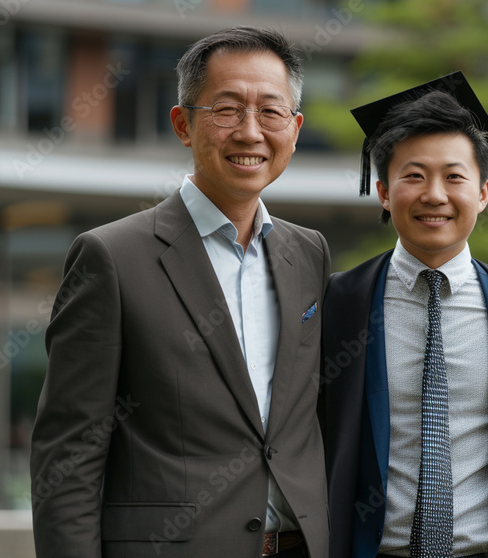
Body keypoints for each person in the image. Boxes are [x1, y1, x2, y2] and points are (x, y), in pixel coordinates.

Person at [30, 27, 329, 558]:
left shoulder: (308, 254)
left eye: (271, 111)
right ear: (183, 124)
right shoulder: (112, 257)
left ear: (295, 128)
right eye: (227, 108)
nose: (250, 131)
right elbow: (69, 455)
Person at [321, 72, 488, 558]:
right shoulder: (340, 303)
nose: (434, 195)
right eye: (413, 176)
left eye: (454, 177)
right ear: (382, 191)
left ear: (482, 192)